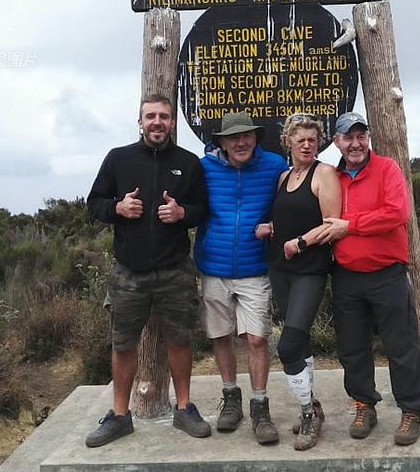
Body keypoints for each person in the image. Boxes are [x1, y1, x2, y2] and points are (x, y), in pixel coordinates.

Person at [84, 94, 211, 447]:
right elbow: (93, 203)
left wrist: (183, 213)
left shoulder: (188, 163)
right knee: (123, 343)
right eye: (151, 116)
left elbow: (203, 208)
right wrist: (118, 208)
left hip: (175, 270)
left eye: (165, 116)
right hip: (129, 272)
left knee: (181, 340)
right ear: (139, 122)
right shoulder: (118, 158)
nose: (158, 122)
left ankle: (184, 409)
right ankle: (120, 416)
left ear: (172, 123)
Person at [319, 111, 420, 446]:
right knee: (352, 348)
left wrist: (349, 225)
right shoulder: (331, 176)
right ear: (336, 142)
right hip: (347, 276)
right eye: (347, 137)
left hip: (387, 274)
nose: (355, 144)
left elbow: (397, 212)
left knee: (402, 345)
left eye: (360, 136)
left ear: (368, 139)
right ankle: (364, 404)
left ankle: (410, 410)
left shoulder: (387, 169)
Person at [194, 111, 288, 444]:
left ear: (255, 138)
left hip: (255, 268)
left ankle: (260, 407)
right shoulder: (204, 168)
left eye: (247, 135)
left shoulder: (275, 166)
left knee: (257, 339)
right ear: (221, 142)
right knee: (221, 336)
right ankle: (230, 400)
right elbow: (188, 204)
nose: (241, 142)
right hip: (213, 268)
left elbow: (293, 204)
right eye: (234, 137)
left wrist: (278, 227)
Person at [259, 113, 341, 450]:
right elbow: (284, 217)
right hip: (280, 269)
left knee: (288, 344)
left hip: (310, 269)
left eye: (312, 138)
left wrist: (302, 242)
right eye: (300, 139)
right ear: (288, 142)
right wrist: (269, 228)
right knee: (301, 342)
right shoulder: (282, 178)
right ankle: (312, 407)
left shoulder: (325, 174)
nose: (306, 144)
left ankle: (309, 412)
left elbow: (333, 223)